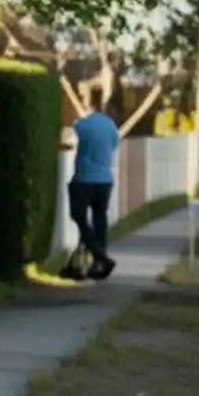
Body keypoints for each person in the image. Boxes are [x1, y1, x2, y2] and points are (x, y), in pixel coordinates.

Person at [65, 87, 120, 280]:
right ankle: (96, 264)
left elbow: (67, 140)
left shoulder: (81, 125)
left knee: (79, 216)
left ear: (86, 102)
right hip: (105, 179)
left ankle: (100, 255)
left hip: (84, 179)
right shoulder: (110, 126)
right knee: (100, 219)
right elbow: (114, 145)